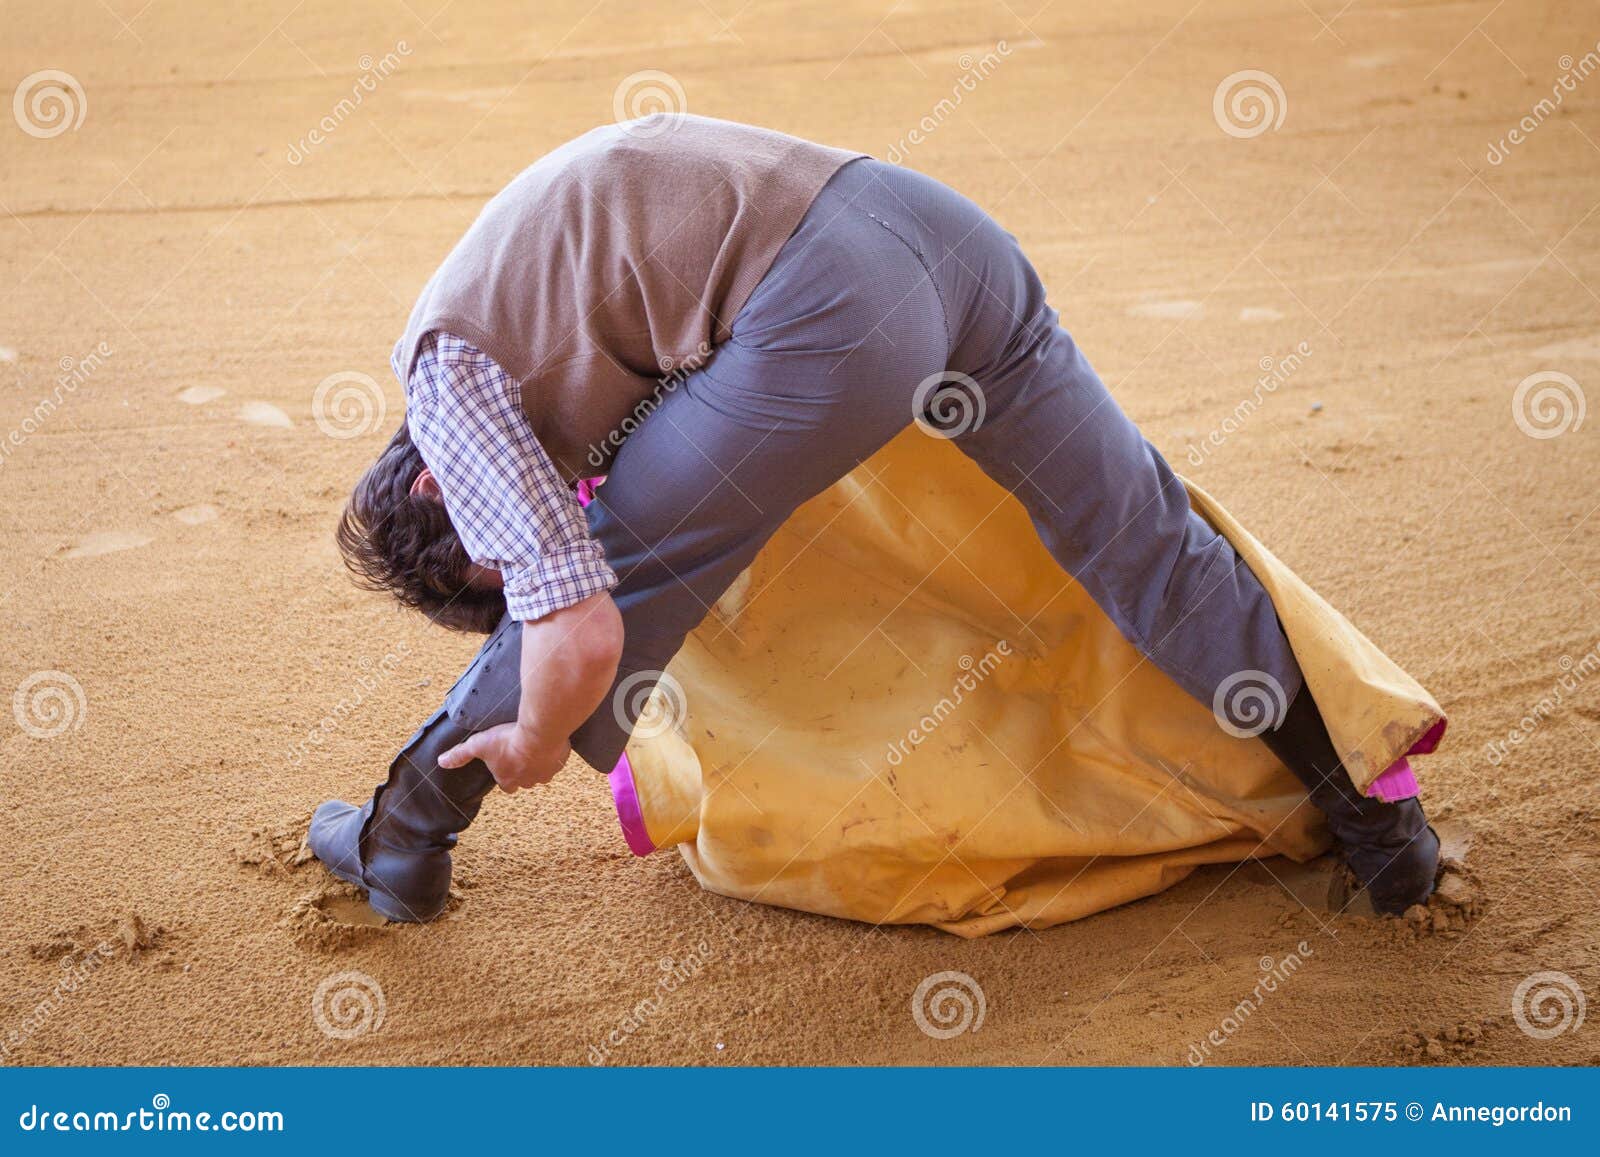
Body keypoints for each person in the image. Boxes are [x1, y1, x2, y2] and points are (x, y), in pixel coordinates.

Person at [311, 114, 1439, 922]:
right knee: (1143, 541)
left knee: (615, 572)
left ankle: (404, 836)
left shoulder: (445, 383)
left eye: (496, 561)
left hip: (821, 294)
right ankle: (1383, 829)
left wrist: (537, 734)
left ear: (430, 486)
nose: (530, 538)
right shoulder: (516, 331)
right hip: (948, 243)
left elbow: (583, 626)